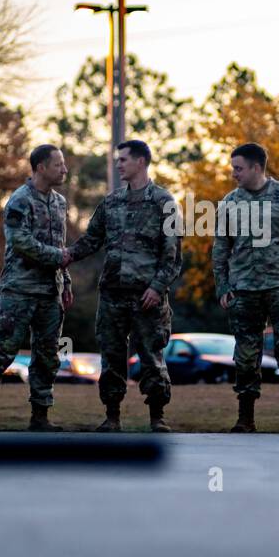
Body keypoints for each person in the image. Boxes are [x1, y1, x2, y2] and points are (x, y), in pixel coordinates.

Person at [67, 140, 181, 432]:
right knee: (111, 357)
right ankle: (112, 416)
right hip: (113, 296)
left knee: (151, 359)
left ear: (141, 162)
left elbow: (172, 256)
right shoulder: (111, 202)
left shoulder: (164, 202)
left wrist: (156, 289)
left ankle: (157, 417)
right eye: (117, 160)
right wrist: (63, 257)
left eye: (123, 160)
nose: (118, 164)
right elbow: (91, 240)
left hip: (147, 297)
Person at [0, 144, 74, 431]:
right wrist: (56, 258)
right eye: (59, 164)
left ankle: (40, 417)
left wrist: (66, 283)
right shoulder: (20, 200)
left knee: (48, 356)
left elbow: (60, 247)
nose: (64, 169)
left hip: (51, 292)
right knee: (2, 350)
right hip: (20, 290)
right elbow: (20, 242)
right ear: (40, 168)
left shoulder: (60, 203)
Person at [212, 142, 279, 433]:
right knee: (245, 355)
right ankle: (245, 418)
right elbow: (221, 247)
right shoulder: (230, 202)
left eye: (238, 168)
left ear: (257, 167)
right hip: (243, 290)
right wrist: (222, 286)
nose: (234, 174)